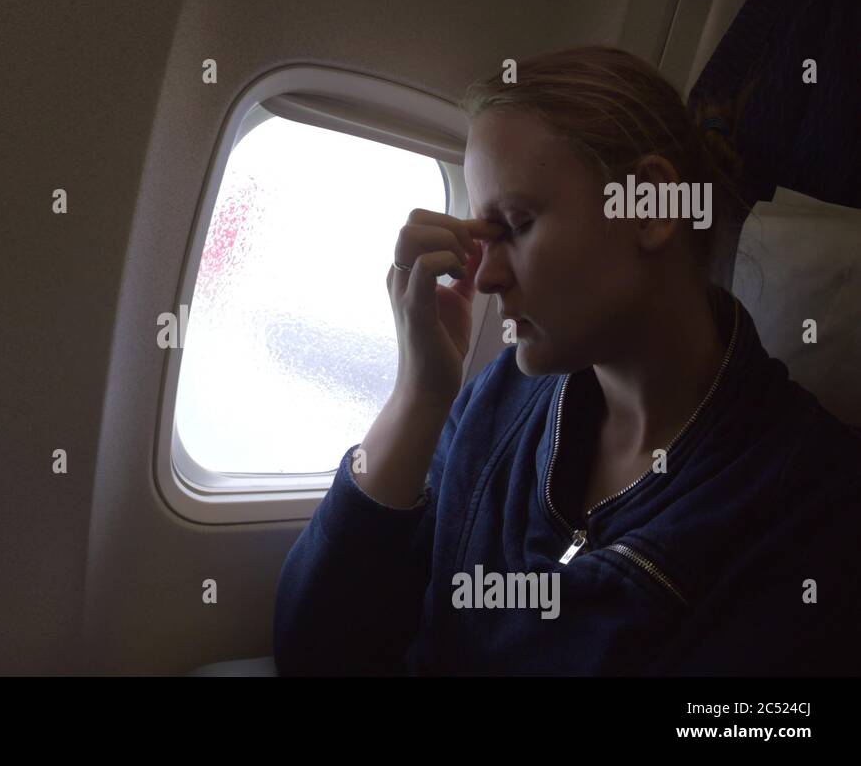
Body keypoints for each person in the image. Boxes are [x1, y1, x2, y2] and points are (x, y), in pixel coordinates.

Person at [273, 45, 861, 676]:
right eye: (479, 235)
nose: (488, 276)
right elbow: (314, 654)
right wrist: (418, 398)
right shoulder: (497, 404)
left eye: (517, 225)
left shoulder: (811, 503)